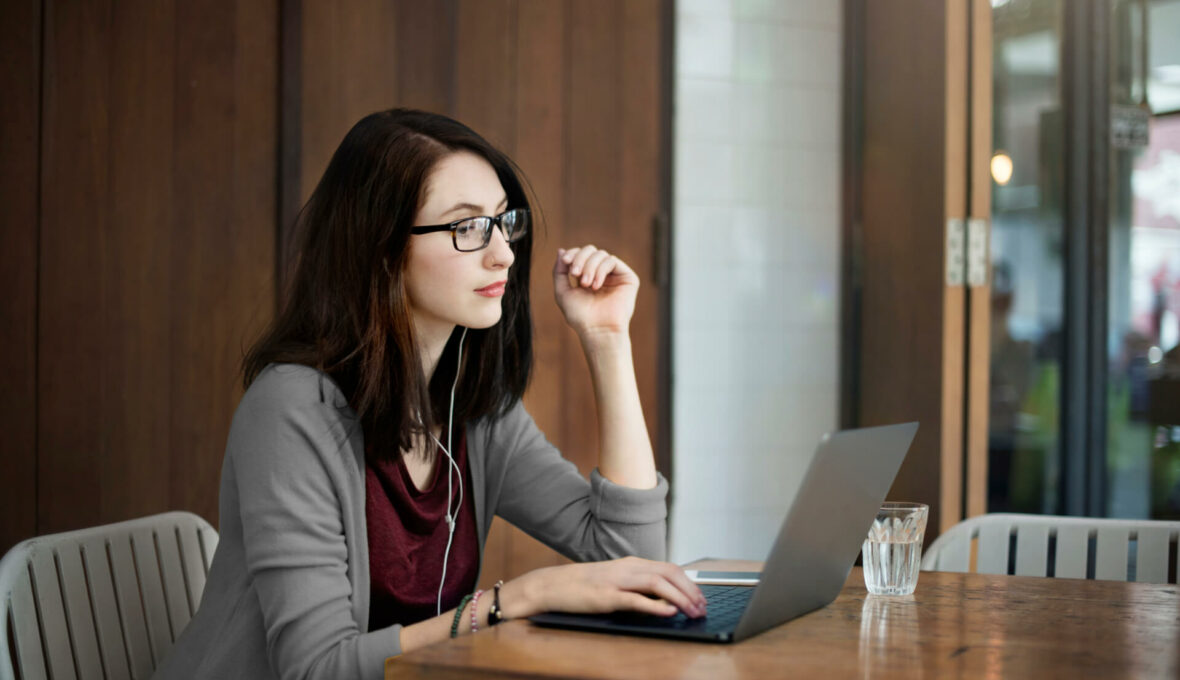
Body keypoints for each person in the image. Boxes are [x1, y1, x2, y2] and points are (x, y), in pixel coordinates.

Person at [152, 108, 704, 680]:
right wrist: (516, 599)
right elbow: (316, 669)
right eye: (467, 228)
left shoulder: (476, 408)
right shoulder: (292, 409)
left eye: (502, 220)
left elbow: (634, 563)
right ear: (383, 249)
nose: (505, 255)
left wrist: (607, 339)